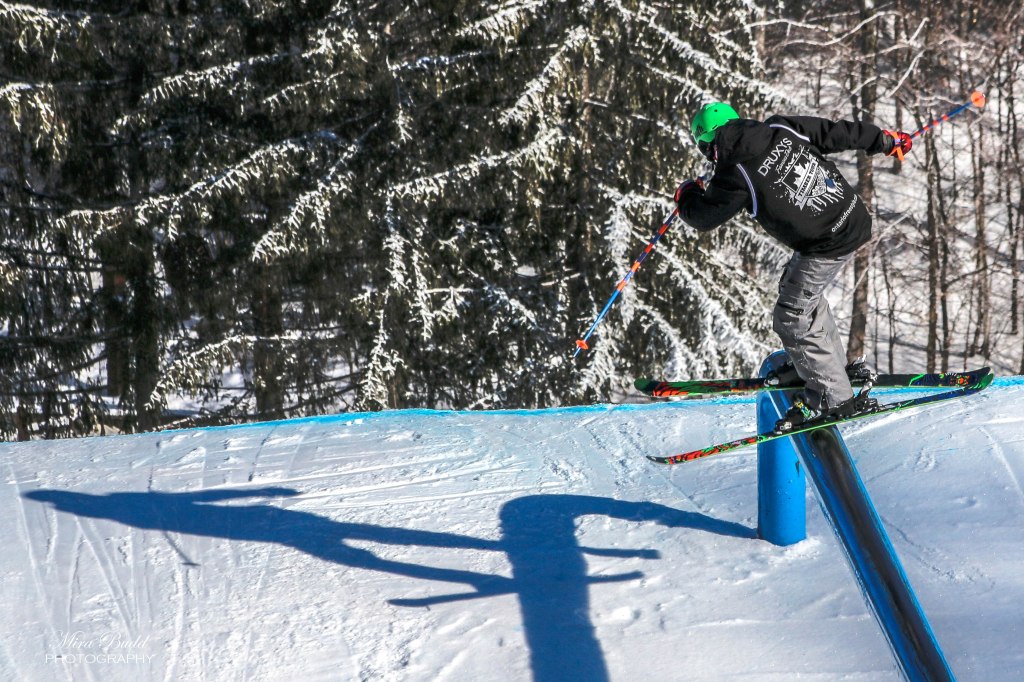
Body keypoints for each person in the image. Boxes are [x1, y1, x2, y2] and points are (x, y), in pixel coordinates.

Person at [674, 102, 913, 430]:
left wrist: (686, 195)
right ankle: (825, 366)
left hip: (826, 244)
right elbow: (834, 132)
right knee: (798, 290)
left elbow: (703, 216)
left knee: (790, 316)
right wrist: (883, 140)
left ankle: (834, 397)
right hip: (852, 217)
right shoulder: (778, 127)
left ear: (709, 145)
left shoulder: (734, 176)